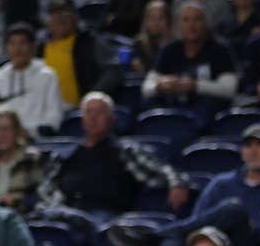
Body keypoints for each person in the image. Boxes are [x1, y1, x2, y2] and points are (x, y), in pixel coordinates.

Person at [113, 125, 260, 246]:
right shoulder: (221, 183)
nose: (254, 151)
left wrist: (255, 227)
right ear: (242, 153)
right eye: (248, 145)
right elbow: (199, 220)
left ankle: (156, 236)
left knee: (235, 208)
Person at [36, 92, 189, 224]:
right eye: (88, 112)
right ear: (82, 119)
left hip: (107, 215)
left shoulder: (126, 151)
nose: (93, 117)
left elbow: (164, 170)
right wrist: (56, 206)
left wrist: (178, 184)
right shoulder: (64, 155)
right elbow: (46, 188)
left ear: (111, 119)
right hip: (68, 212)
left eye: (99, 112)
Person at [145, 0, 240, 132]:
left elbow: (229, 89)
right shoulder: (169, 49)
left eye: (197, 19)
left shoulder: (220, 49)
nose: (191, 25)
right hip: (174, 104)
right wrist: (160, 85)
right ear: (178, 25)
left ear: (206, 23)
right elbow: (147, 86)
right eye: (186, 20)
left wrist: (195, 86)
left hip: (205, 109)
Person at [40, 0, 121, 108]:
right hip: (44, 111)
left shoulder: (89, 41)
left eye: (66, 14)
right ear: (48, 20)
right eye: (55, 14)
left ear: (76, 18)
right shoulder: (39, 47)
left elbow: (113, 71)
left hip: (79, 112)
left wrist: (90, 98)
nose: (60, 19)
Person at [0, 23, 63, 138]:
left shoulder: (47, 76)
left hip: (36, 141)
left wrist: (30, 133)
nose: (17, 48)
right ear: (6, 48)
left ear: (33, 47)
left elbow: (54, 116)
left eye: (23, 43)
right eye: (12, 43)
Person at [0, 110, 46, 211]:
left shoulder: (31, 158)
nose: (1, 134)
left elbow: (42, 195)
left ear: (17, 131)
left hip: (21, 215)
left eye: (7, 129)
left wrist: (15, 200)